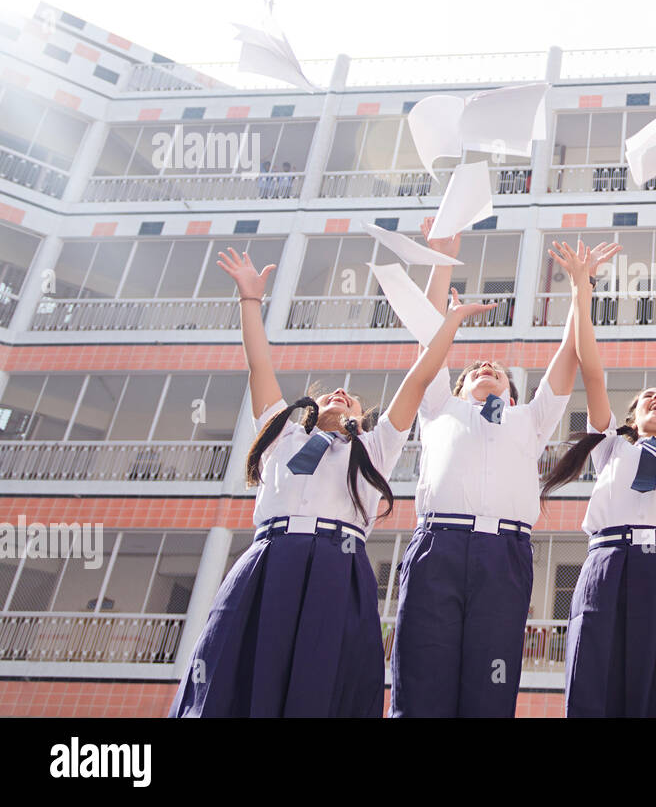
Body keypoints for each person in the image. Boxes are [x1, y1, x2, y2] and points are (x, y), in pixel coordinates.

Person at [170, 248, 496, 717]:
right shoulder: (281, 435)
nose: (342, 393)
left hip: (337, 566)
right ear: (310, 407)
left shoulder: (374, 448)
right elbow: (259, 367)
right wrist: (249, 301)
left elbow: (422, 375)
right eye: (331, 392)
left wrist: (451, 322)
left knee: (325, 680)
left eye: (352, 398)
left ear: (361, 418)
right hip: (271, 559)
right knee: (236, 670)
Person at [388, 230, 596, 717]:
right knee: (421, 680)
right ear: (457, 386)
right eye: (475, 367)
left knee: (491, 683)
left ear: (514, 393)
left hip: (503, 554)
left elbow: (569, 355)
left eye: (497, 369)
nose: (486, 367)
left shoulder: (530, 420)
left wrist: (579, 290)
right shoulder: (440, 407)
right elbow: (427, 335)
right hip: (439, 546)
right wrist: (441, 258)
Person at [542, 240, 656, 717]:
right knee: (596, 679)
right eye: (646, 399)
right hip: (609, 563)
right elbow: (593, 373)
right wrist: (582, 289)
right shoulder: (612, 448)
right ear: (632, 416)